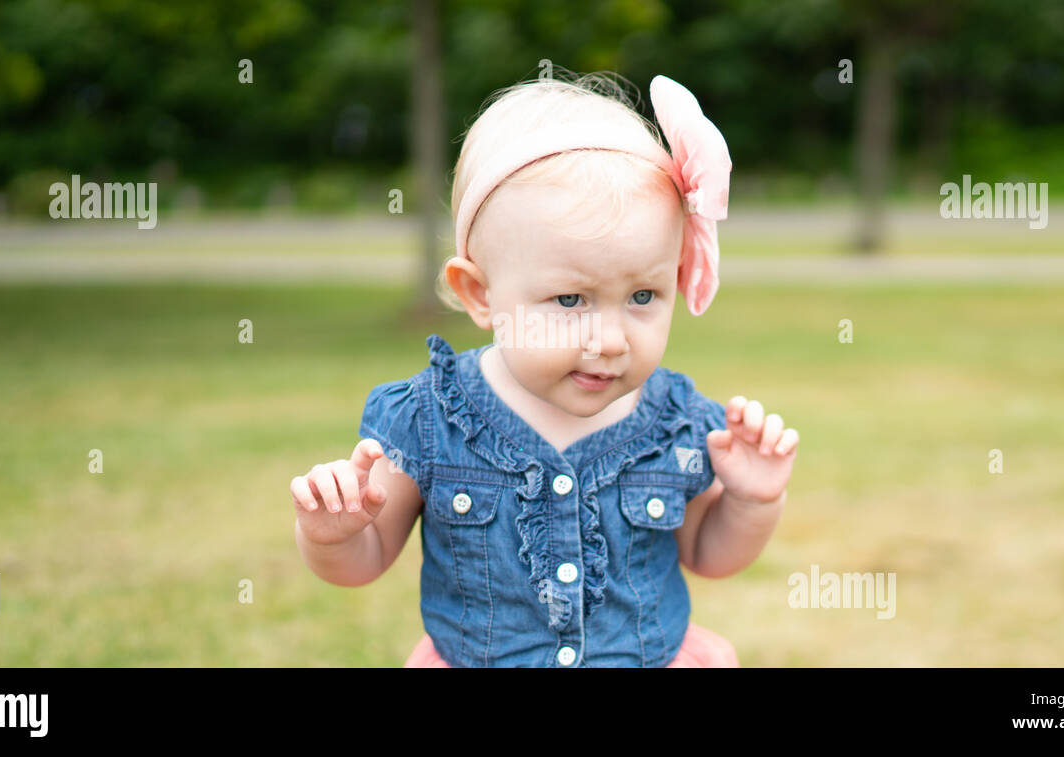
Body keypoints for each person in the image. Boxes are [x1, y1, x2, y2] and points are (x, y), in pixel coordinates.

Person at [290, 70, 799, 667]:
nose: (608, 340)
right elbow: (364, 561)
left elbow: (709, 557)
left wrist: (751, 502)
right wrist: (333, 533)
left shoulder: (679, 423)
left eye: (642, 297)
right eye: (569, 301)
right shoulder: (430, 422)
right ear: (480, 295)